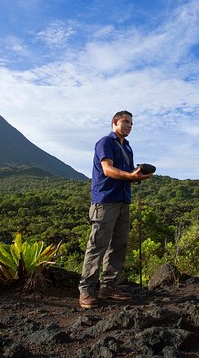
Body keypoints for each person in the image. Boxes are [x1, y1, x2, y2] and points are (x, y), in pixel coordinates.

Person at [78, 110, 153, 309]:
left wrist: (136, 175)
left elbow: (126, 174)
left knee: (118, 245)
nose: (129, 126)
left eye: (131, 123)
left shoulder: (127, 148)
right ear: (115, 122)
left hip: (123, 201)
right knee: (97, 245)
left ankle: (108, 287)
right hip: (105, 201)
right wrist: (130, 177)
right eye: (126, 122)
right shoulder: (105, 142)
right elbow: (107, 170)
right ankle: (87, 290)